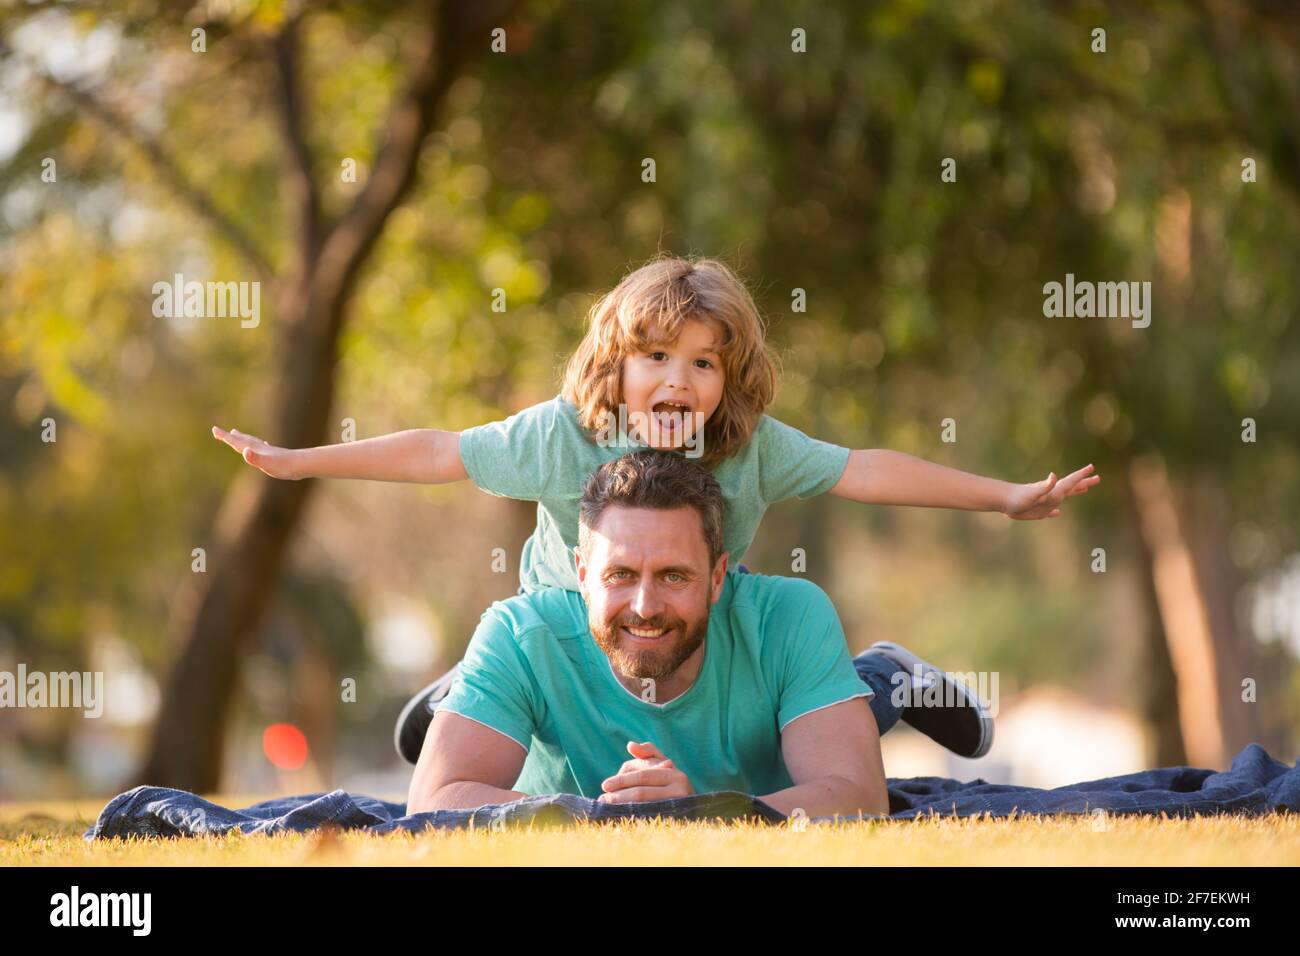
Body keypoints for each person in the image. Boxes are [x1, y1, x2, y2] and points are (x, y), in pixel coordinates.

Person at [212, 254, 1094, 765]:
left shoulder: (749, 447)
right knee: (561, 726)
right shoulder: (563, 434)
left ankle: (877, 682)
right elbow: (440, 451)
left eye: (705, 364)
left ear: (729, 382)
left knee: (751, 748)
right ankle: (471, 694)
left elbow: (865, 469)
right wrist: (300, 462)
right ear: (617, 366)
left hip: (700, 624)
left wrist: (1004, 497)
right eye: (659, 356)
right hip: (570, 632)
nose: (679, 378)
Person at [408, 449, 897, 816]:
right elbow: (433, 803)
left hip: (797, 681)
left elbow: (860, 798)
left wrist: (701, 812)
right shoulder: (519, 633)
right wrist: (598, 817)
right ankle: (465, 694)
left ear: (719, 577)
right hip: (528, 655)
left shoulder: (790, 617)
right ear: (580, 574)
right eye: (620, 575)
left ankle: (890, 675)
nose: (645, 608)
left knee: (874, 694)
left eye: (674, 576)